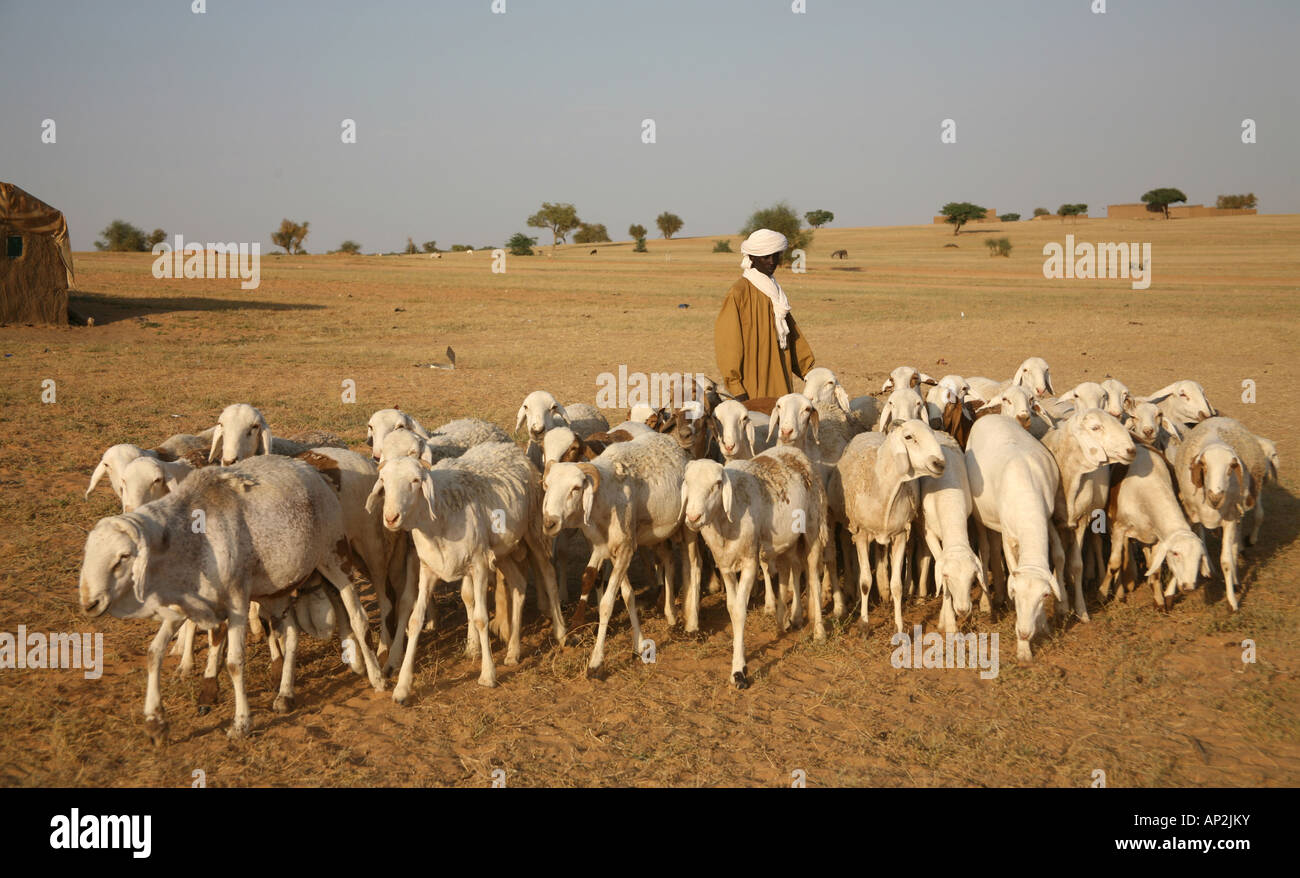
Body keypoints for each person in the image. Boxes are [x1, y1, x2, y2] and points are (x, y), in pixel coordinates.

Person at [714, 228, 816, 400]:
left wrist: (810, 373)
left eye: (775, 256)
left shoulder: (775, 292)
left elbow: (792, 336)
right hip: (752, 382)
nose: (772, 262)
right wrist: (736, 388)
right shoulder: (739, 293)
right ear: (752, 258)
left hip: (780, 376)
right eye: (766, 257)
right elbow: (728, 344)